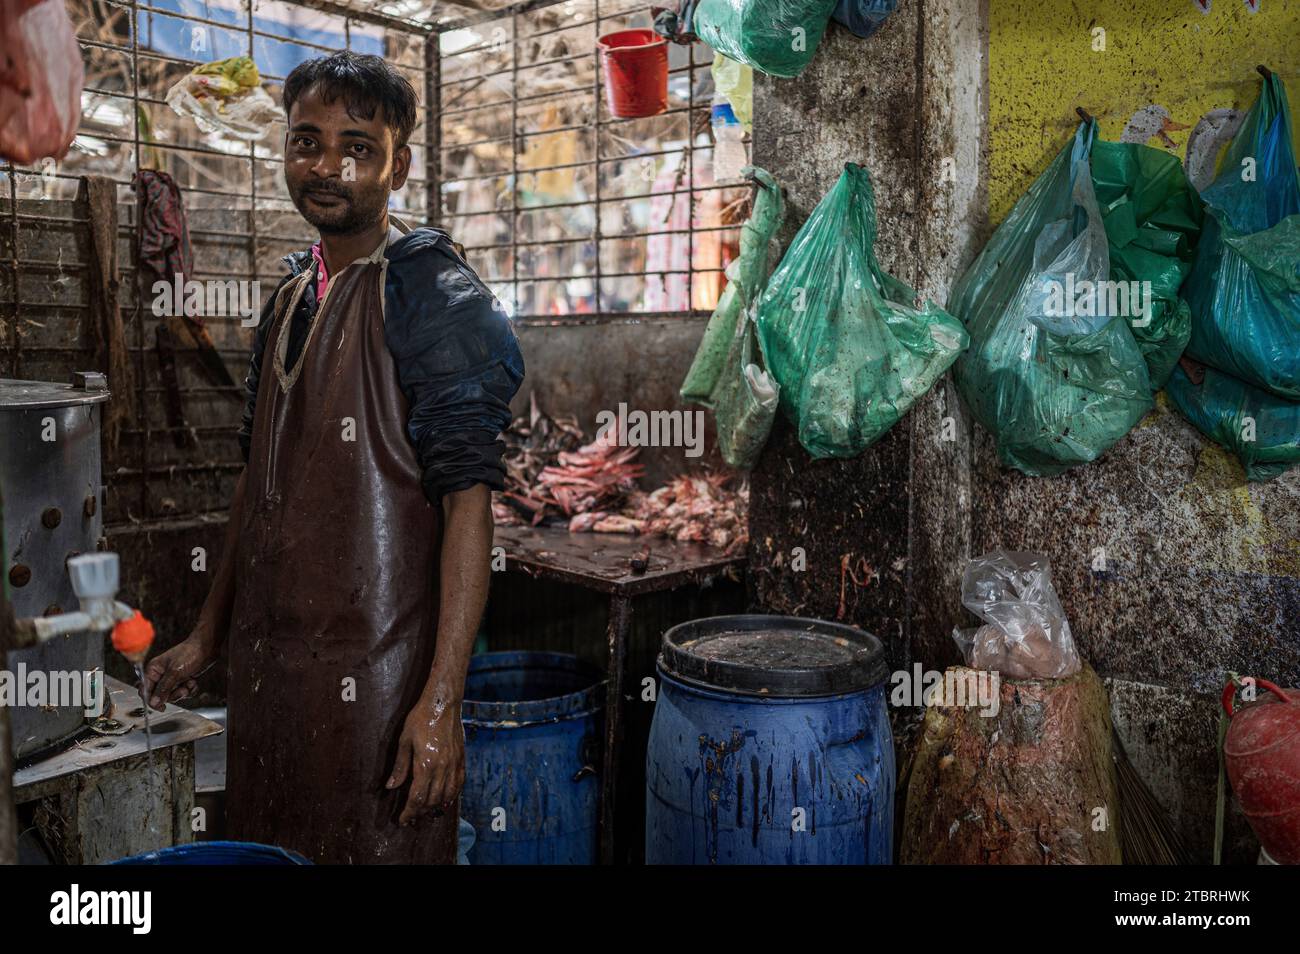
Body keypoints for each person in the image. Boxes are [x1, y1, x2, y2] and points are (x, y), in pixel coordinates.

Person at [142, 51, 523, 864]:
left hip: (381, 699)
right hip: (269, 681)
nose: (326, 165)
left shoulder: (434, 294)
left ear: (399, 164)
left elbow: (468, 503)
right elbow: (258, 477)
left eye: (356, 145)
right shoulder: (287, 298)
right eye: (305, 141)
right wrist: (209, 636)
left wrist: (442, 703)